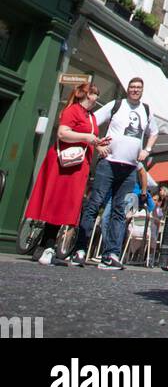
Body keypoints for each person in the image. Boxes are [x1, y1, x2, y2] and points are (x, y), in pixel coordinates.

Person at [71, 77, 160, 269]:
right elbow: (92, 121)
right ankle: (79, 250)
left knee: (119, 211)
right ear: (127, 89)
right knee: (94, 205)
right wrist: (96, 143)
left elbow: (154, 132)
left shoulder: (146, 111)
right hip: (108, 163)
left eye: (138, 87)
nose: (135, 90)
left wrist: (148, 150)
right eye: (132, 87)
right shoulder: (117, 104)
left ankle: (111, 254)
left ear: (142, 91)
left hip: (129, 167)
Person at [24, 81, 108, 265]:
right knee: (58, 202)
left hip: (79, 165)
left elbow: (89, 137)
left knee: (67, 205)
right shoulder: (73, 111)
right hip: (65, 164)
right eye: (95, 94)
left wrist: (99, 145)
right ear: (87, 95)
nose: (97, 98)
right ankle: (47, 247)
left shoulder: (90, 116)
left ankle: (44, 248)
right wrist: (87, 137)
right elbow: (62, 133)